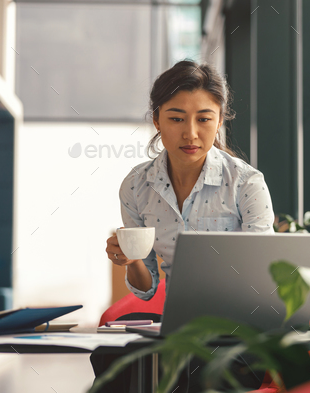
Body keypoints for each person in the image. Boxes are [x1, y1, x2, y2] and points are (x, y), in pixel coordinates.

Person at [91, 59, 275, 392]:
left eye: (204, 119)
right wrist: (131, 259)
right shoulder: (136, 185)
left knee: (192, 364)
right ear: (157, 120)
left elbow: (263, 276)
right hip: (176, 326)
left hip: (235, 329)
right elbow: (146, 288)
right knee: (111, 354)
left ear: (219, 120)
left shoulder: (246, 184)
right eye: (176, 118)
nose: (190, 133)